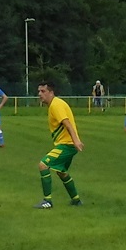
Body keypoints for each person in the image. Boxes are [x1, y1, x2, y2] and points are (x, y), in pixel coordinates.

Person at [34, 80, 84, 209]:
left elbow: (67, 123)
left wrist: (76, 140)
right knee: (61, 172)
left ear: (51, 92)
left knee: (43, 165)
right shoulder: (55, 104)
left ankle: (47, 201)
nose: (40, 94)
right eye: (39, 91)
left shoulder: (56, 105)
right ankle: (76, 200)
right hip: (67, 144)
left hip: (67, 145)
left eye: (43, 91)